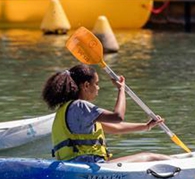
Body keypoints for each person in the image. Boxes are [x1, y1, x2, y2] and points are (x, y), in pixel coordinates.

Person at [41, 64, 172, 164]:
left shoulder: (65, 109)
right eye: (96, 84)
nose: (98, 88)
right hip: (90, 168)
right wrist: (121, 90)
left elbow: (115, 128)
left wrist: (146, 126)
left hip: (72, 166)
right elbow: (118, 117)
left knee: (149, 157)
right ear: (86, 85)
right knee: (150, 157)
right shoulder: (80, 106)